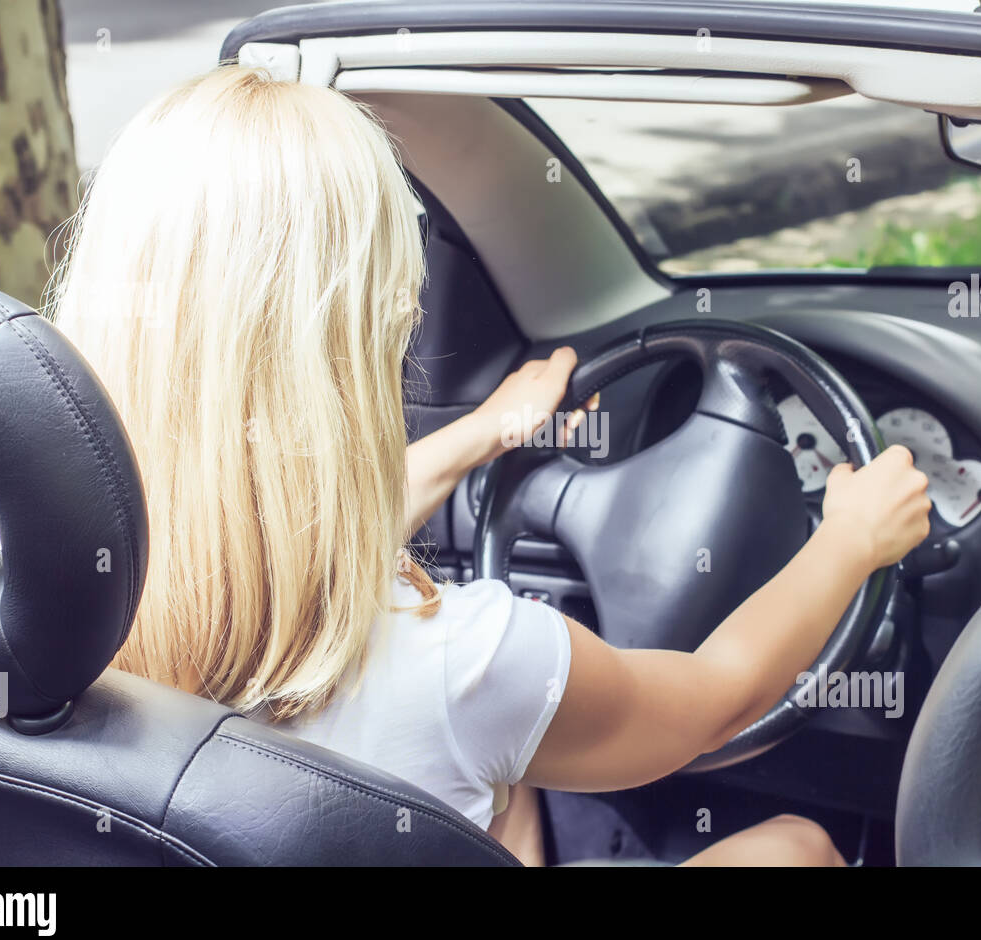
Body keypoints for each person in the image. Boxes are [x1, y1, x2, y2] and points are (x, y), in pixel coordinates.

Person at [47, 66, 931, 866]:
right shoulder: (462, 663)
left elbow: (279, 532)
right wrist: (851, 541)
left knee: (512, 792)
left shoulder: (36, 590)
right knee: (796, 845)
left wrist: (489, 432)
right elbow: (716, 703)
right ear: (358, 344)